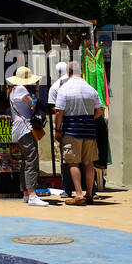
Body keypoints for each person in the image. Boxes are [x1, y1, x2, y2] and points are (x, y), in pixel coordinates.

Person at [55, 60, 104, 205]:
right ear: (80, 71)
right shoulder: (90, 89)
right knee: (89, 163)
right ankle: (89, 194)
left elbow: (59, 112)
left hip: (71, 130)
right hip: (89, 130)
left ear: (68, 73)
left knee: (73, 163)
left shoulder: (65, 89)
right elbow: (100, 111)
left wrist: (58, 130)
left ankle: (78, 194)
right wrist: (89, 119)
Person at [7, 65, 48, 206]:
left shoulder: (13, 91)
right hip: (25, 129)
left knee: (26, 161)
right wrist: (37, 90)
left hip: (18, 130)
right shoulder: (21, 89)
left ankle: (25, 193)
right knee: (32, 160)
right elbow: (33, 105)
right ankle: (32, 195)